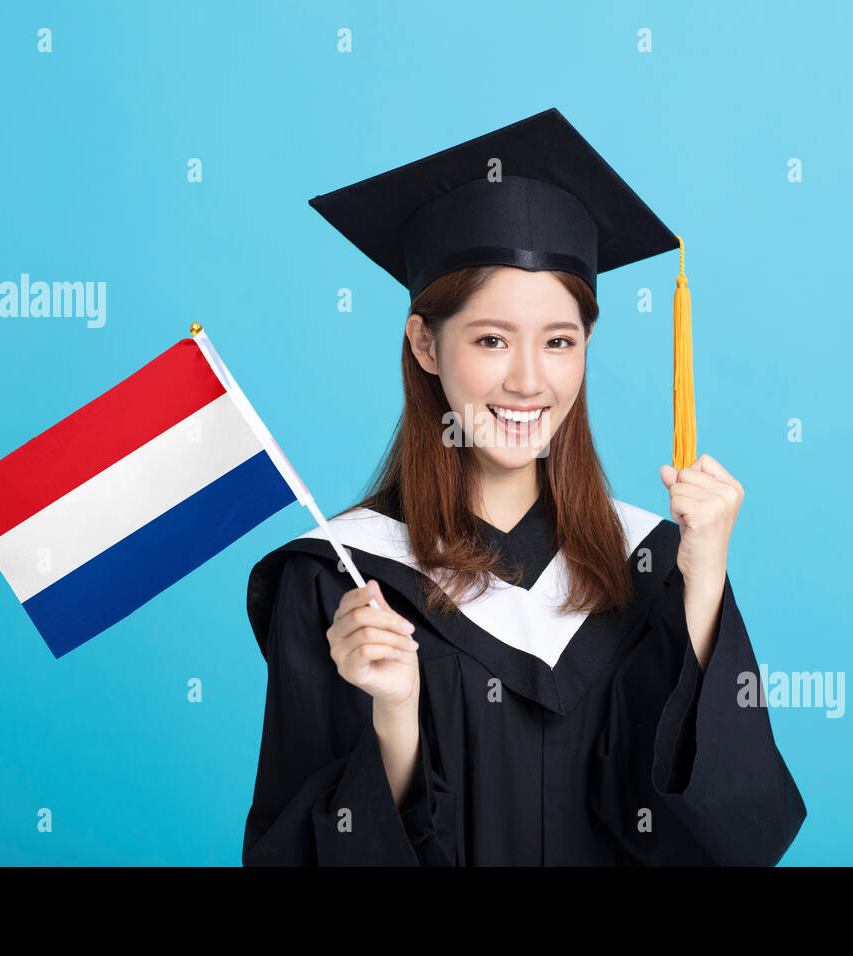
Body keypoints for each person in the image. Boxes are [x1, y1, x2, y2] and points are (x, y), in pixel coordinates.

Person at [241, 108, 807, 865]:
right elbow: (297, 853)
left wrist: (702, 594)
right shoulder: (340, 579)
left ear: (587, 346)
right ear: (424, 343)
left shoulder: (654, 564)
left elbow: (726, 843)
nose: (529, 381)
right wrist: (397, 722)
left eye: (559, 342)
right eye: (491, 339)